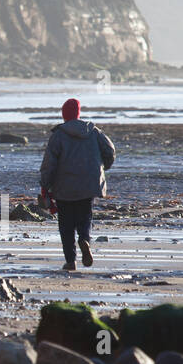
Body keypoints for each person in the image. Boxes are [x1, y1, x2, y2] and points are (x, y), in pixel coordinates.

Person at [39, 97, 116, 271]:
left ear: (64, 115)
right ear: (78, 113)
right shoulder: (94, 131)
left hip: (63, 187)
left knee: (66, 225)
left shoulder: (58, 135)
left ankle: (70, 260)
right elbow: (110, 151)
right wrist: (103, 167)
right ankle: (84, 240)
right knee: (85, 218)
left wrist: (45, 184)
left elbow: (49, 164)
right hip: (88, 184)